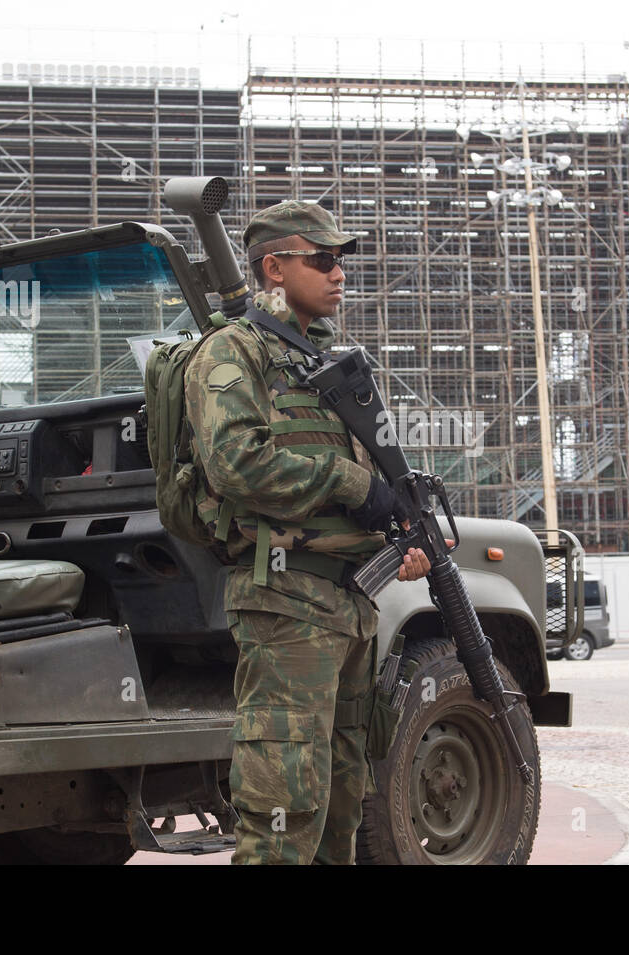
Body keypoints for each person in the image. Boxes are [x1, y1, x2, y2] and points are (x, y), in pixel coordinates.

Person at [184, 199, 431, 864]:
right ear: (274, 266)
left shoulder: (330, 367)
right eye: (322, 259)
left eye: (341, 260)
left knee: (341, 813)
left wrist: (397, 545)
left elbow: (363, 489)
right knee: (282, 816)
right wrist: (356, 488)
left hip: (349, 609)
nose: (338, 273)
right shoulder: (233, 352)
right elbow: (237, 463)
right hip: (287, 610)